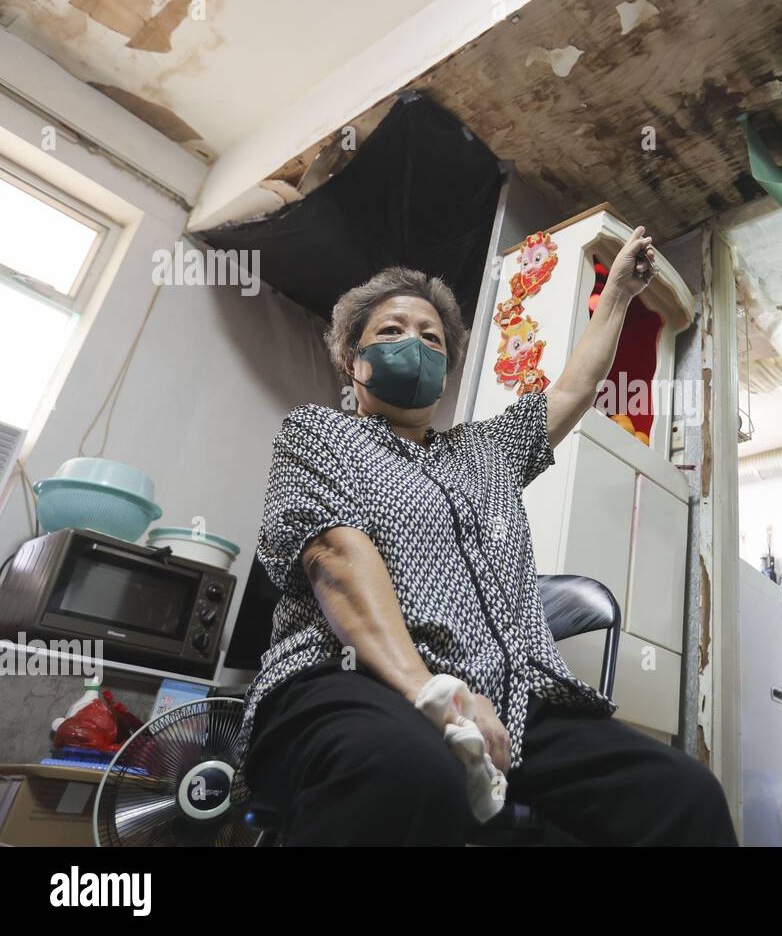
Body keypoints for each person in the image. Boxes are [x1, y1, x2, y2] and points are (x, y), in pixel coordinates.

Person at [236, 226, 738, 846]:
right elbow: (335, 554)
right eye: (391, 331)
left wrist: (618, 299)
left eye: (432, 338)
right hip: (349, 682)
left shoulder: (487, 452)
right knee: (407, 768)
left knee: (683, 796)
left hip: (509, 708)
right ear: (352, 360)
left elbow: (575, 389)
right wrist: (432, 692)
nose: (415, 344)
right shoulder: (319, 433)